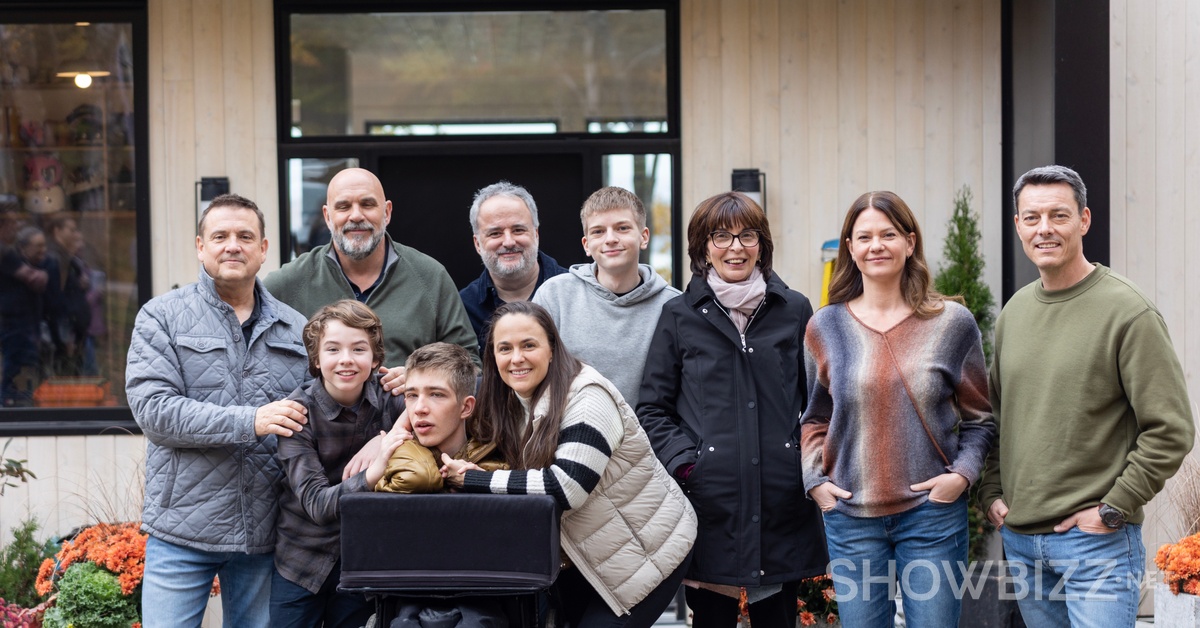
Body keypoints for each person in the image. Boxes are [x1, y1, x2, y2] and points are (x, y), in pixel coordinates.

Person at [978, 165, 1194, 627]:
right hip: (1022, 541)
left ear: (1084, 220)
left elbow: (1170, 429)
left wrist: (1114, 508)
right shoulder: (1014, 313)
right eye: (1032, 218)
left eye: (1059, 215)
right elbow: (1000, 418)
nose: (1045, 229)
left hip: (1096, 546)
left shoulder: (1127, 312)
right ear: (1017, 225)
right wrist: (992, 491)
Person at [800, 191, 996, 627]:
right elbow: (815, 418)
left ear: (910, 242)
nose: (876, 246)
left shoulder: (951, 324)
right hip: (851, 518)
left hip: (932, 515)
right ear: (849, 247)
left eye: (888, 234)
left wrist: (960, 477)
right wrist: (816, 481)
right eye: (864, 236)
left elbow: (981, 421)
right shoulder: (825, 327)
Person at [441, 301, 696, 627]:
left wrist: (476, 480)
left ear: (552, 348)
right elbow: (447, 398)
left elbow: (567, 488)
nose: (516, 358)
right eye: (504, 348)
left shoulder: (587, 398)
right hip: (584, 555)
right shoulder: (509, 397)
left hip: (646, 552)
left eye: (528, 345)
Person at [637, 192, 826, 628]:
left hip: (782, 501)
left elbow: (817, 400)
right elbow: (652, 408)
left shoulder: (793, 309)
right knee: (712, 620)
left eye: (747, 236)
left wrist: (801, 460)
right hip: (710, 504)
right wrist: (689, 464)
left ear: (763, 244)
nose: (735, 247)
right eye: (720, 236)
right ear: (702, 247)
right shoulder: (679, 315)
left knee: (776, 618)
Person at [126, 193, 311, 628]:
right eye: (220, 236)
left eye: (246, 236)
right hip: (182, 532)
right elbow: (155, 411)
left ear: (264, 249)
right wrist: (251, 421)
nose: (233, 245)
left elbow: (319, 412)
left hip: (264, 534)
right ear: (200, 246)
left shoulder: (296, 328)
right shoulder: (162, 317)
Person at [271, 300, 406, 627]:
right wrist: (372, 474)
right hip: (301, 560)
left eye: (359, 349)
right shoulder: (297, 414)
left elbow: (447, 411)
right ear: (316, 360)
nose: (346, 360)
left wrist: (385, 437)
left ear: (375, 359)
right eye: (333, 349)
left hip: (362, 559)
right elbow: (317, 504)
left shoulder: (392, 399)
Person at [265, 167, 479, 368]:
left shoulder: (430, 277)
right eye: (343, 206)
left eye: (367, 204)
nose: (356, 216)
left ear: (387, 212)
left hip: (408, 408)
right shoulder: (290, 282)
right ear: (327, 216)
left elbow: (470, 364)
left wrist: (418, 377)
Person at [533, 186, 679, 408]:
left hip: (650, 439)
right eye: (598, 231)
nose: (610, 239)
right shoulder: (554, 296)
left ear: (644, 236)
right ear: (586, 245)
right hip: (568, 436)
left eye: (622, 228)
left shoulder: (673, 306)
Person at [374, 342, 506, 493]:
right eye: (412, 395)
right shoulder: (386, 459)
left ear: (466, 407)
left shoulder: (501, 462)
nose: (419, 409)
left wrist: (478, 481)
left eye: (436, 395)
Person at [459, 181, 567, 351]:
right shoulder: (463, 308)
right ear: (477, 244)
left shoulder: (574, 293)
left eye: (518, 230)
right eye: (495, 233)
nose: (508, 242)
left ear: (536, 234)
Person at [0, 226, 60, 406]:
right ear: (23, 248)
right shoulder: (12, 262)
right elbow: (38, 282)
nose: (44, 250)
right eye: (38, 246)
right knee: (17, 371)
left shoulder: (40, 263)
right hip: (16, 328)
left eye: (44, 245)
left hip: (30, 329)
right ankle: (12, 407)